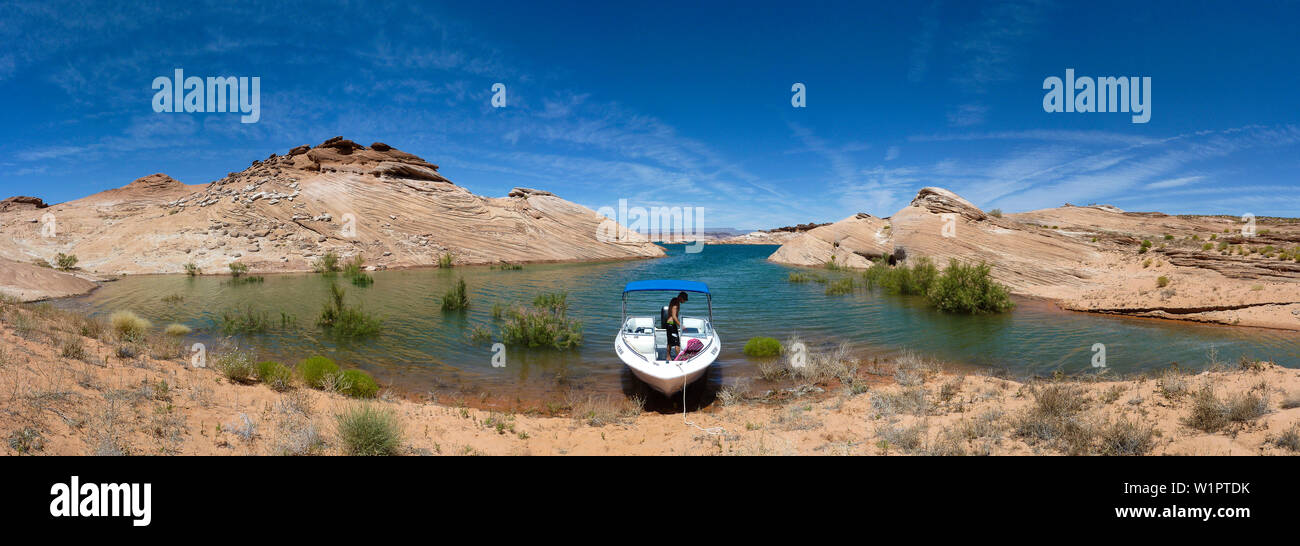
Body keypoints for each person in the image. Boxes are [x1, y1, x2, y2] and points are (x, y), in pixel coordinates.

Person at [665, 291, 687, 359]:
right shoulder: (676, 303)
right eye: (684, 300)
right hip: (671, 324)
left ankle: (668, 357)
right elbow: (674, 316)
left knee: (670, 342)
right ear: (681, 298)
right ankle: (679, 359)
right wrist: (681, 325)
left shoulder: (674, 299)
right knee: (677, 343)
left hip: (669, 324)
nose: (684, 302)